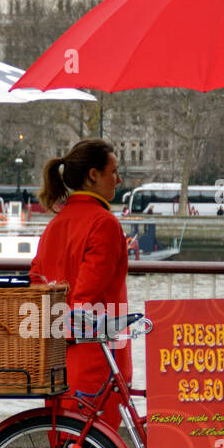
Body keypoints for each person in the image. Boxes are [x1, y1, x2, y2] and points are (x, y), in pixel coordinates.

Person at [29, 139, 131, 413]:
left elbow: (36, 280)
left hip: (55, 356)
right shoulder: (104, 223)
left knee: (64, 446)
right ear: (94, 175)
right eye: (114, 171)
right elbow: (89, 292)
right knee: (92, 444)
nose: (118, 179)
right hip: (95, 352)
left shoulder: (55, 223)